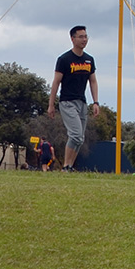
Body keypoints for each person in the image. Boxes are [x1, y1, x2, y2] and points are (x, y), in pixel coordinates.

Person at [47, 26, 100, 171]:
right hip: (67, 102)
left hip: (82, 102)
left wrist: (96, 102)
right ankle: (65, 166)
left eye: (86, 36)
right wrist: (51, 105)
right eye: (81, 37)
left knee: (80, 138)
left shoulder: (89, 60)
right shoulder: (64, 59)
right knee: (75, 135)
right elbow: (56, 82)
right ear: (72, 39)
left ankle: (69, 166)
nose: (84, 39)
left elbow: (93, 81)